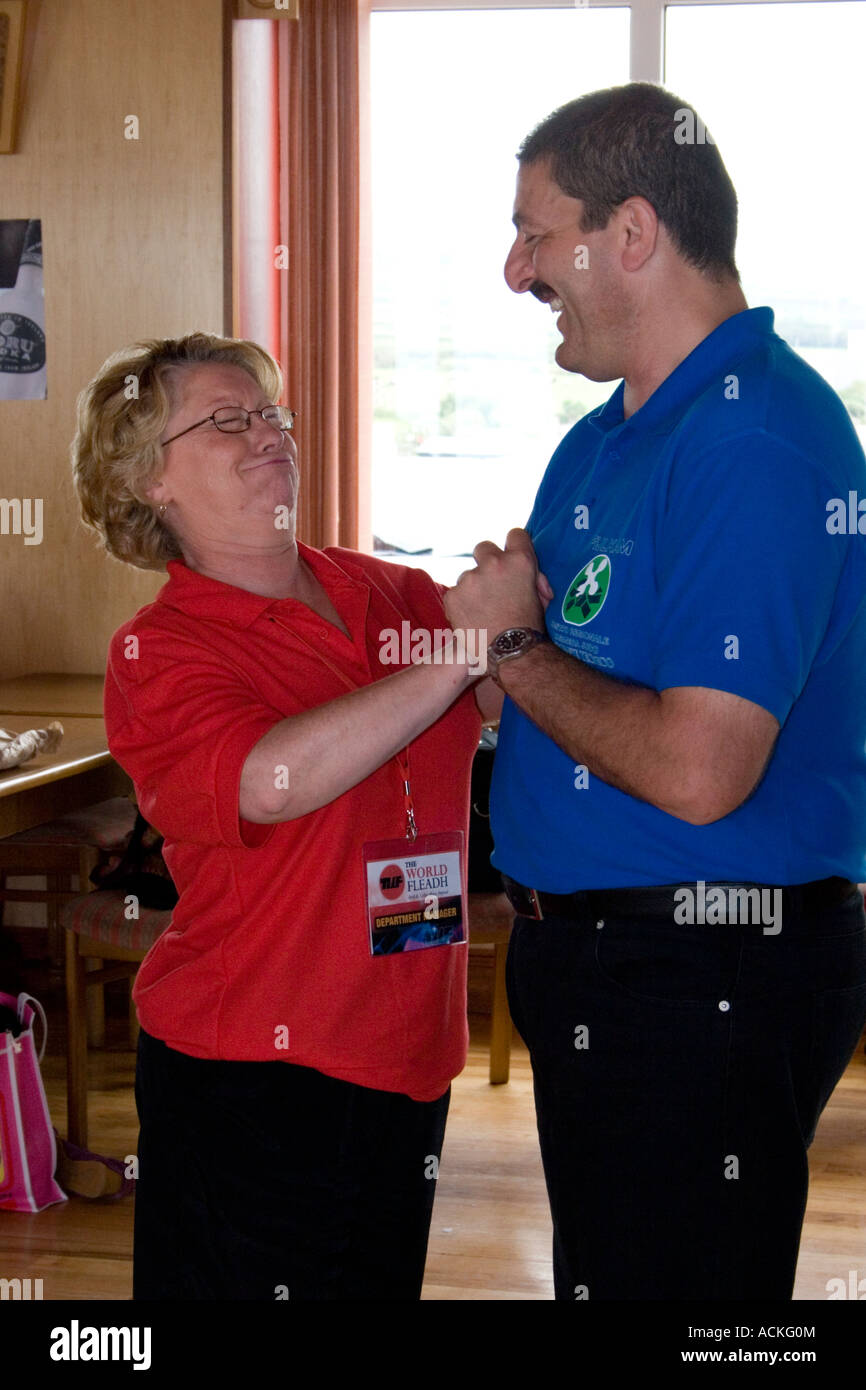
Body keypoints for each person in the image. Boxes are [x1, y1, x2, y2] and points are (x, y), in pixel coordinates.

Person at [445, 82, 866, 1301]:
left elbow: (696, 769)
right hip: (603, 964)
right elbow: (563, 693)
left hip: (699, 978)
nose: (515, 270)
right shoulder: (607, 437)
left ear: (629, 234)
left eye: (535, 232)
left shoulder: (753, 438)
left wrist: (519, 649)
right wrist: (500, 663)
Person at [71, 330, 499, 1300]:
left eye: (269, 412)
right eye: (226, 419)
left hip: (407, 1056)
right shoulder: (159, 653)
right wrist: (465, 647)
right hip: (252, 1077)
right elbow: (269, 779)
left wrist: (512, 629)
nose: (266, 432)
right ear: (149, 482)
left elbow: (497, 701)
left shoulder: (388, 593)